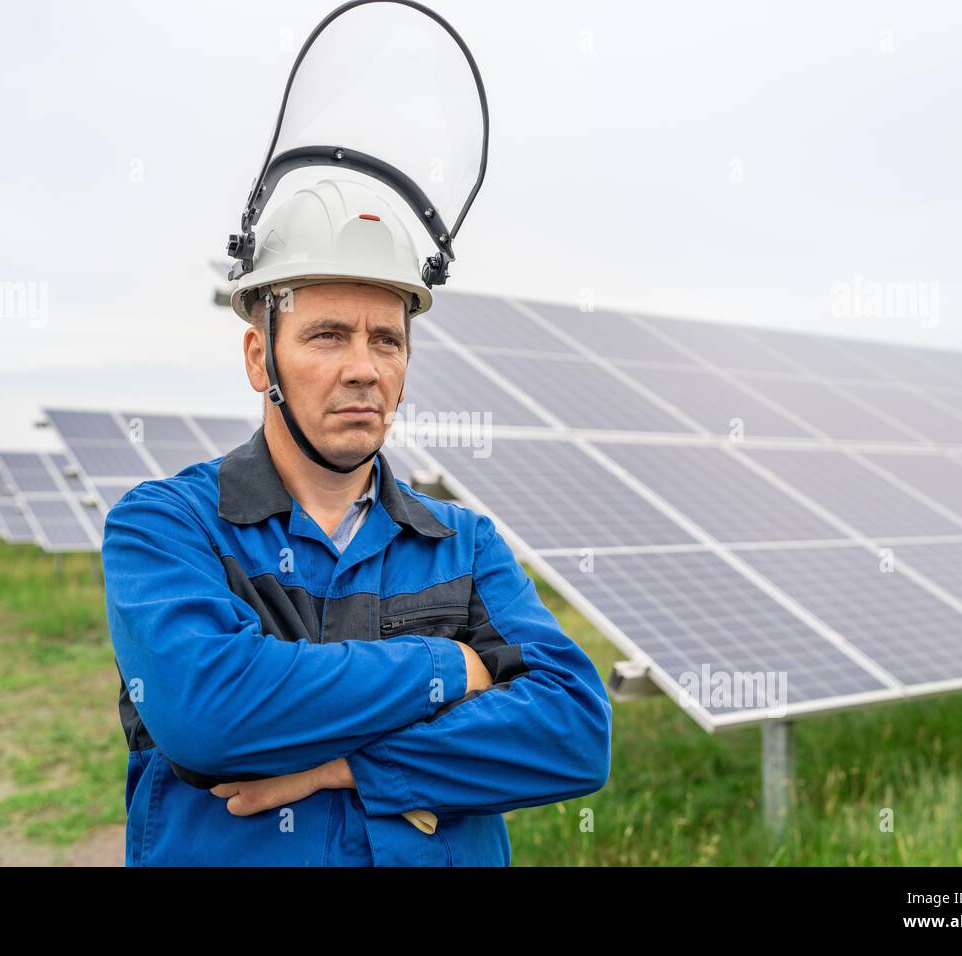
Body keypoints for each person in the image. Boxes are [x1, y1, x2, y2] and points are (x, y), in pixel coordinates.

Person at [101, 177, 612, 865]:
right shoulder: (167, 526)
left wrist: (341, 767)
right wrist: (449, 666)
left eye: (386, 341)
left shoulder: (462, 544)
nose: (363, 370)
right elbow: (207, 716)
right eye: (327, 336)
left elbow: (574, 731)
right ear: (260, 358)